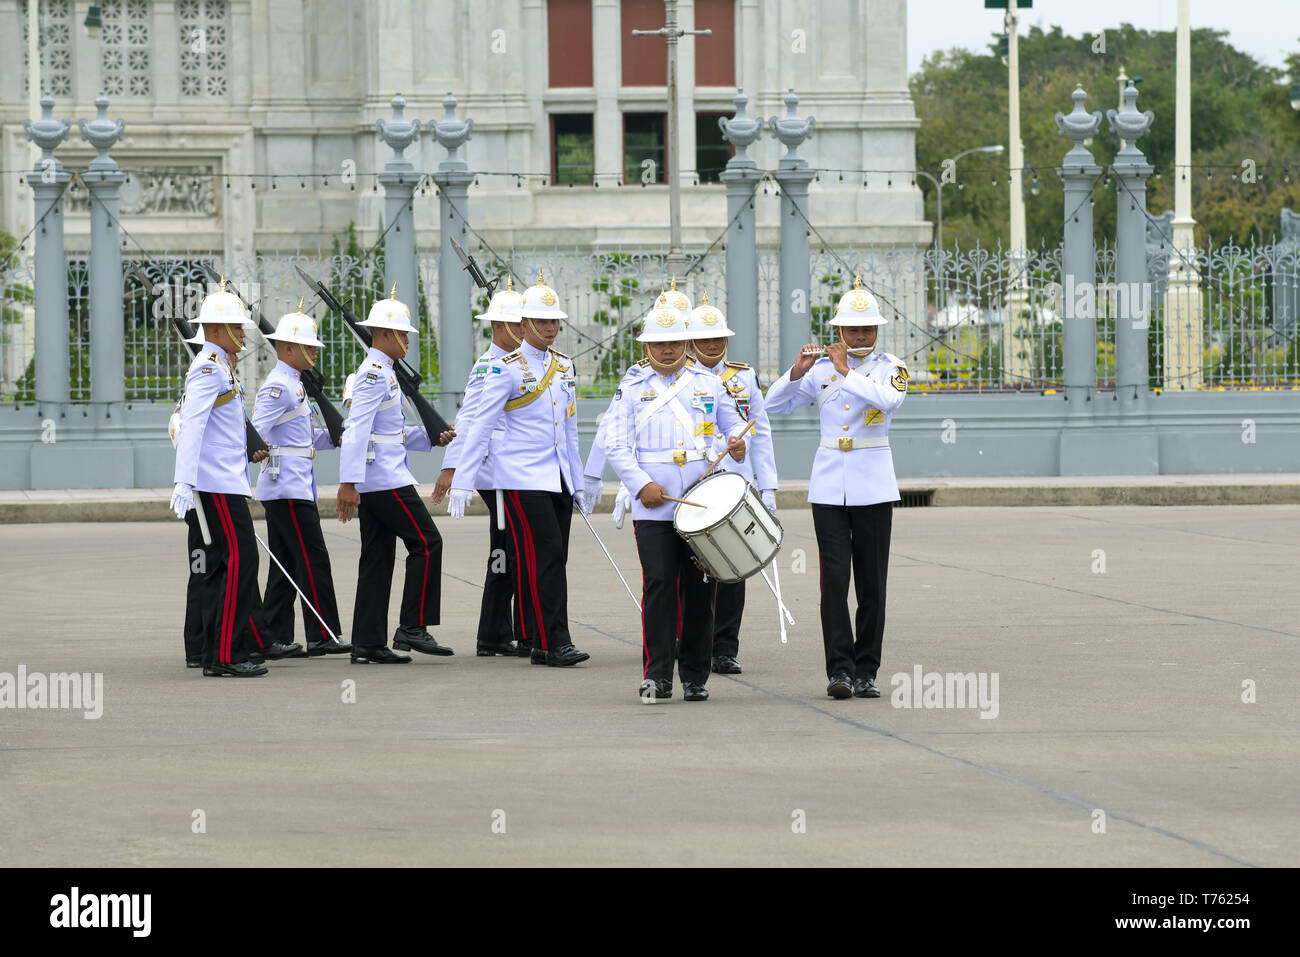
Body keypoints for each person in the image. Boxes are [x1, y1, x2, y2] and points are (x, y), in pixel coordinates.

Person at [763, 277, 907, 700]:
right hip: (828, 486)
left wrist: (846, 371)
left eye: (867, 329)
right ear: (839, 330)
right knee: (833, 584)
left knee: (872, 585)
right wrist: (796, 373)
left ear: (877, 330)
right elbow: (771, 405)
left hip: (874, 485)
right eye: (853, 329)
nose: (860, 336)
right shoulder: (820, 369)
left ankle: (867, 671)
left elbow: (890, 401)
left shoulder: (890, 367)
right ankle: (839, 671)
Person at [600, 299, 749, 702]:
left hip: (702, 504)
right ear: (646, 347)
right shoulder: (631, 388)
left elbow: (736, 423)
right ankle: (657, 674)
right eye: (659, 344)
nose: (668, 350)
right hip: (654, 503)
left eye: (675, 342)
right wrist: (639, 484)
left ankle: (697, 675)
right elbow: (615, 445)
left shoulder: (709, 383)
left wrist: (738, 443)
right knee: (660, 587)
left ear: (687, 343)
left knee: (701, 591)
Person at [447, 273, 590, 668]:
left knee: (554, 558)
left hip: (557, 478)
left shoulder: (564, 366)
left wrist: (578, 482)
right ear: (522, 324)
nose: (550, 328)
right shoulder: (504, 368)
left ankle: (542, 642)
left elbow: (570, 431)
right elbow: (478, 426)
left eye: (554, 321)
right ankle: (555, 641)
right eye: (542, 321)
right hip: (521, 479)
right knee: (543, 556)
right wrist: (461, 477)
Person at [170, 280, 304, 676]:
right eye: (236, 326)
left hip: (225, 482)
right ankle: (226, 655)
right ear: (216, 330)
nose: (243, 332)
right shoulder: (209, 369)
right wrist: (184, 481)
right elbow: (191, 425)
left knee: (231, 565)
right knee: (239, 563)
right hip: (215, 485)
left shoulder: (220, 367)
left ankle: (219, 652)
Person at [336, 288, 454, 664]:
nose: (406, 341)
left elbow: (388, 432)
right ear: (384, 335)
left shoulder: (383, 373)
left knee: (377, 557)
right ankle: (412, 626)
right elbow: (356, 429)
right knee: (427, 542)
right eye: (402, 334)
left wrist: (430, 437)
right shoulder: (373, 375)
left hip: (382, 474)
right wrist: (348, 482)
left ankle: (367, 643)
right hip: (384, 479)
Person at [686, 293, 778, 675]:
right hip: (691, 479)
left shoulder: (742, 376)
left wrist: (767, 487)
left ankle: (725, 646)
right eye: (704, 339)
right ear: (689, 341)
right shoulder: (678, 375)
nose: (712, 346)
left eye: (718, 339)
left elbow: (761, 429)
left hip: (734, 482)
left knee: (734, 564)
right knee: (693, 569)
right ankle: (689, 641)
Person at [432, 280, 525, 657]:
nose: (525, 332)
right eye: (520, 325)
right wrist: (453, 468)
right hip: (498, 473)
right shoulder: (491, 366)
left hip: (515, 470)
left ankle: (501, 632)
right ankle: (495, 634)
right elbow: (469, 418)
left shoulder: (519, 362)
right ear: (499, 328)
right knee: (505, 552)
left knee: (512, 549)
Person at [252, 304, 351, 657]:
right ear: (287, 349)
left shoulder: (294, 385)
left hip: (294, 484)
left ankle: (273, 636)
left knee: (286, 564)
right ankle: (322, 633)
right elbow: (257, 433)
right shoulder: (278, 387)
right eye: (307, 347)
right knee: (312, 558)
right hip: (286, 487)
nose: (313, 352)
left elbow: (297, 439)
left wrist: (335, 436)